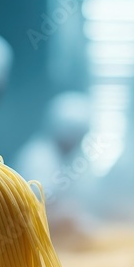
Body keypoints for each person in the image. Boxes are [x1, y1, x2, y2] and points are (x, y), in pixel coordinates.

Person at [14, 92, 95, 241]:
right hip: (32, 238)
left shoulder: (67, 158)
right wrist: (67, 216)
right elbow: (35, 205)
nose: (74, 142)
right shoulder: (38, 157)